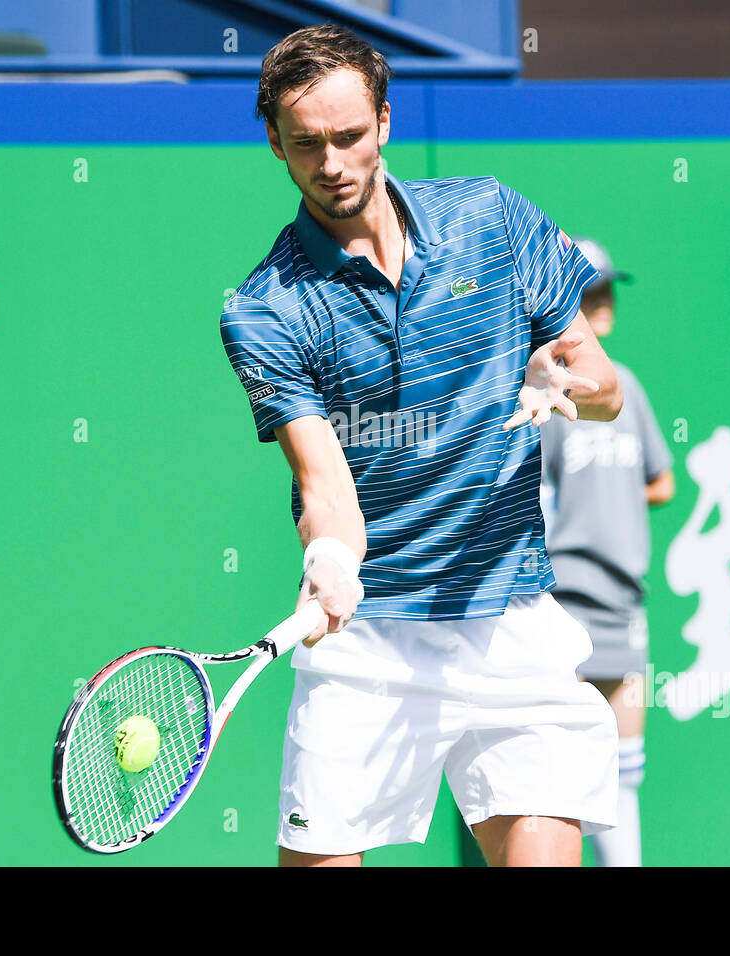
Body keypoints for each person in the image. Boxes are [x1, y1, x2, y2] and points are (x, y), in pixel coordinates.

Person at [220, 23, 628, 867]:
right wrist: (330, 559)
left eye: (349, 136)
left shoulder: (493, 218)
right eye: (306, 144)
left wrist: (566, 383)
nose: (331, 162)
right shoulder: (264, 310)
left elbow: (608, 388)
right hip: (367, 645)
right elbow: (323, 482)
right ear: (274, 144)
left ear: (385, 123)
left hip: (510, 623)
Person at [538, 238, 675, 867]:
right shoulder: (543, 398)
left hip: (625, 602)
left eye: (605, 290)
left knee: (625, 771)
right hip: (560, 605)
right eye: (587, 292)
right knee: (555, 781)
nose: (601, 304)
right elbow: (530, 500)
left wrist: (608, 498)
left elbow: (662, 481)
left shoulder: (631, 388)